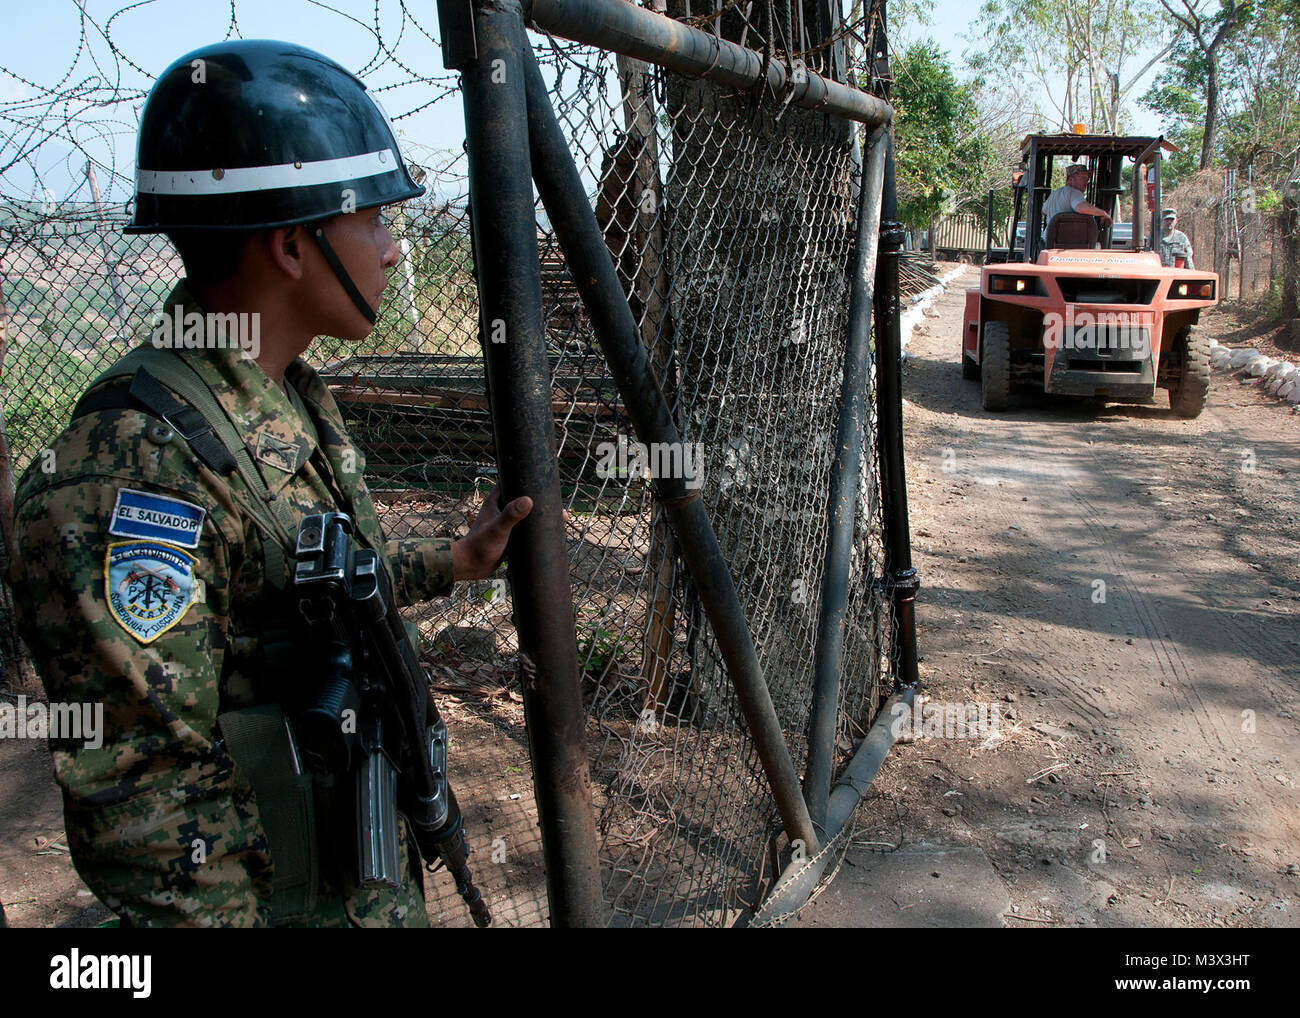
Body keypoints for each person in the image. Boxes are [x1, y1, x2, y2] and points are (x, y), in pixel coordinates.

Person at [5, 40, 533, 927]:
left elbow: (311, 581)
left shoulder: (282, 398)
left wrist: (455, 560)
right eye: (376, 220)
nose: (395, 251)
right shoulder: (132, 473)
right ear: (294, 246)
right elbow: (149, 812)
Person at [1041, 163, 1113, 235]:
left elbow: (1044, 210)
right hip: (1065, 241)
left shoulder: (1055, 193)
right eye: (1083, 178)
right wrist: (1103, 213)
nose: (1086, 182)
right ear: (1071, 179)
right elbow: (1081, 208)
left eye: (1087, 179)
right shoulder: (1073, 192)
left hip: (1049, 241)